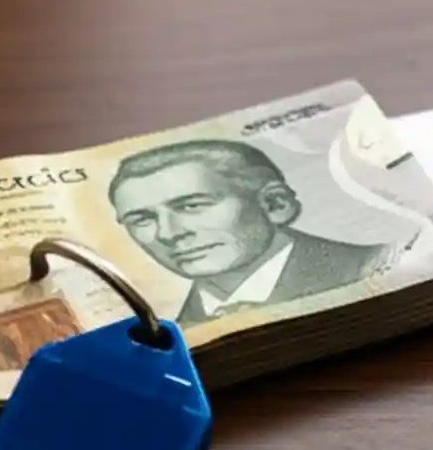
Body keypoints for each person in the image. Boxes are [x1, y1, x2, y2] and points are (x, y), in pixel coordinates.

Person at [108, 139, 388, 325]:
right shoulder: (174, 334)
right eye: (142, 220)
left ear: (275, 204)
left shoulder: (378, 266)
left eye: (192, 206)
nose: (168, 234)